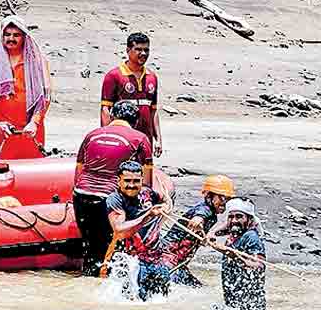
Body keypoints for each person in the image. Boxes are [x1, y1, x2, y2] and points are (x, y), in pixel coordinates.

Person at [73, 100, 154, 275]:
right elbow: (146, 183)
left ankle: (87, 280)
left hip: (81, 194)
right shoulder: (140, 138)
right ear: (136, 121)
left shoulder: (92, 134)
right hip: (110, 199)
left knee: (89, 247)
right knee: (112, 249)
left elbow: (79, 169)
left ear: (111, 116)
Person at [0, 15, 52, 155]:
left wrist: (35, 122)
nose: (11, 38)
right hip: (3, 132)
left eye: (16, 35)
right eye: (7, 34)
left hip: (32, 132)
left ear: (24, 37)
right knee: (2, 168)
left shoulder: (38, 61)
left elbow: (45, 96)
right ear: (2, 35)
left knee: (33, 168)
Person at [105, 161, 168, 299]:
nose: (132, 185)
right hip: (128, 261)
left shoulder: (148, 193)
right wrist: (148, 215)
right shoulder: (115, 200)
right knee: (129, 303)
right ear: (118, 181)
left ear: (141, 180)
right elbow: (119, 231)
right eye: (127, 181)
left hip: (155, 258)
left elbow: (165, 201)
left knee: (162, 301)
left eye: (136, 181)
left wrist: (165, 207)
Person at [158, 175, 233, 287]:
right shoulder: (204, 209)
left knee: (198, 288)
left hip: (179, 263)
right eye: (222, 198)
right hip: (166, 259)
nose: (225, 202)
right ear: (209, 196)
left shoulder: (213, 216)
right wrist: (198, 219)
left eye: (228, 199)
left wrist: (208, 237)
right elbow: (200, 215)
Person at [100, 32, 162, 157]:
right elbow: (105, 109)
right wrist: (107, 137)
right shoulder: (114, 75)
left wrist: (158, 139)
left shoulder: (152, 77)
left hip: (145, 139)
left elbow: (153, 111)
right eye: (138, 49)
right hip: (122, 139)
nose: (143, 53)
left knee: (145, 168)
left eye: (146, 50)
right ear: (128, 50)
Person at [209, 199, 267, 310]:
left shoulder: (251, 237)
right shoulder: (235, 233)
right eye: (231, 217)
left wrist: (231, 254)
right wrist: (212, 234)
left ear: (249, 220)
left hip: (249, 307)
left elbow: (258, 265)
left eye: (239, 216)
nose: (234, 220)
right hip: (232, 305)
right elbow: (225, 227)